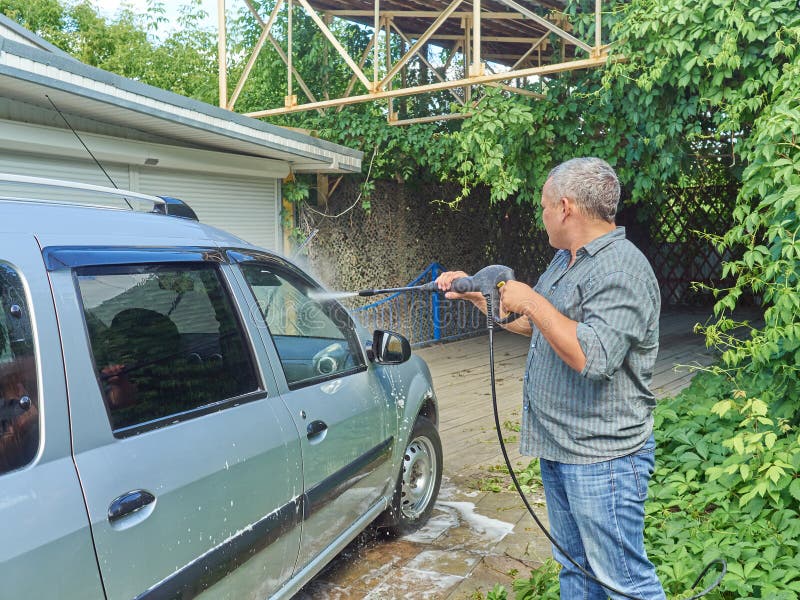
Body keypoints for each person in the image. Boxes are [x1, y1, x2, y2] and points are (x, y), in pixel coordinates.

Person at [436, 157, 665, 599]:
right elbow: (536, 326)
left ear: (565, 207)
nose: (541, 215)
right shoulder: (566, 261)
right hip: (561, 448)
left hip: (602, 459)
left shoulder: (621, 270)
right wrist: (476, 299)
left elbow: (592, 357)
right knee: (576, 571)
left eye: (543, 206)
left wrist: (532, 302)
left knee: (624, 582)